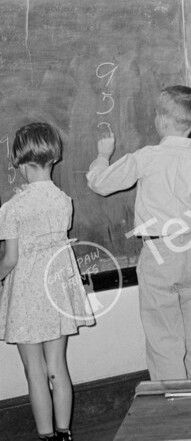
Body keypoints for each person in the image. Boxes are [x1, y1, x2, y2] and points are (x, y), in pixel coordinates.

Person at [87, 85, 191, 381]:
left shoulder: (147, 157)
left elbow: (100, 183)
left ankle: (172, 397)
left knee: (163, 334)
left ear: (164, 121)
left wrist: (102, 155)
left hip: (159, 251)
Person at [0, 123, 94, 441]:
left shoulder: (12, 208)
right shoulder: (63, 200)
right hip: (57, 290)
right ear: (53, 159)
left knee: (35, 371)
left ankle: (46, 436)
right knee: (57, 367)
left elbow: (10, 259)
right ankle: (64, 433)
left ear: (21, 163)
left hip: (26, 296)